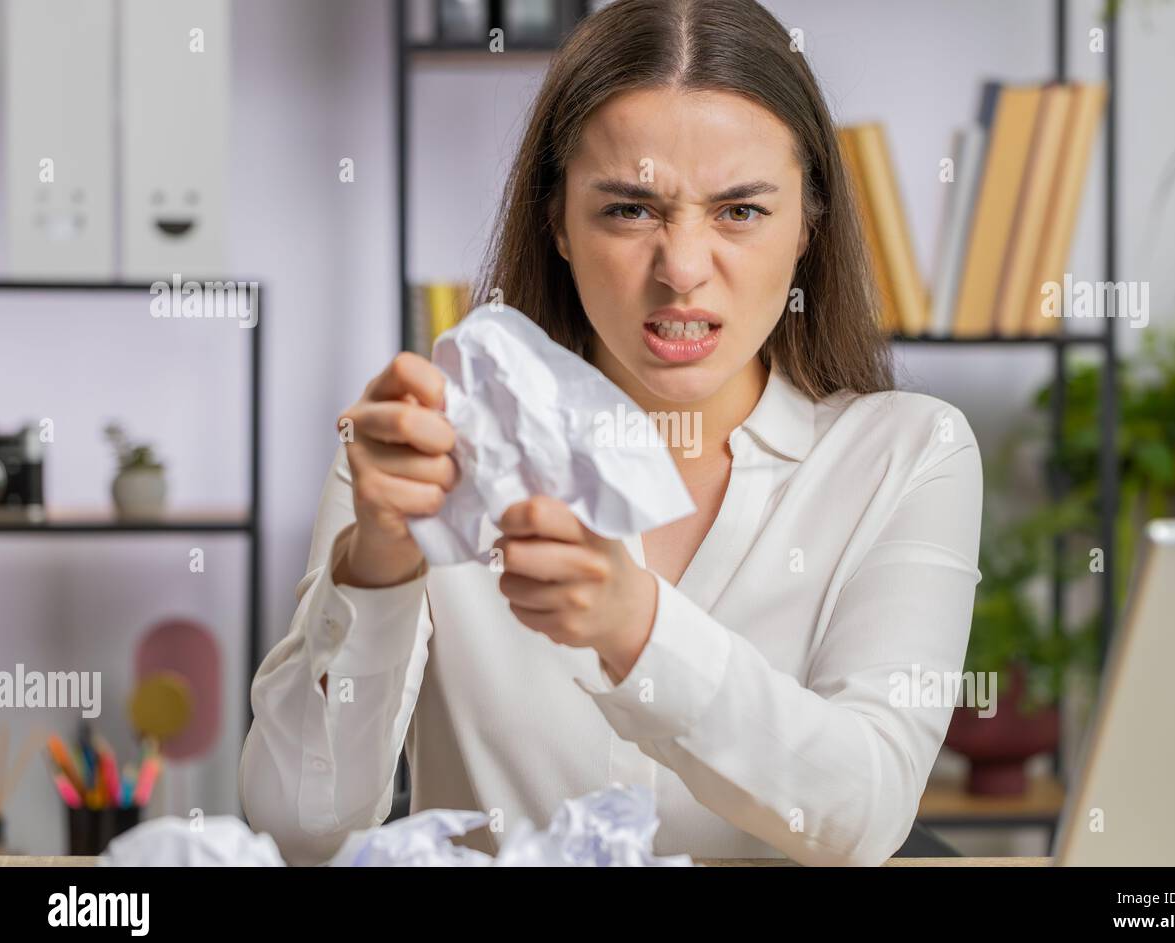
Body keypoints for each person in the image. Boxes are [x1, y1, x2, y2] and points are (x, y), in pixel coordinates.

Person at [239, 0, 982, 866]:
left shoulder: (907, 454)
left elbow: (864, 812)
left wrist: (637, 629)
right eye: (631, 210)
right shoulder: (422, 450)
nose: (683, 268)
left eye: (739, 211)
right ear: (556, 220)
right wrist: (376, 573)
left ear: (809, 227)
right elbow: (297, 828)